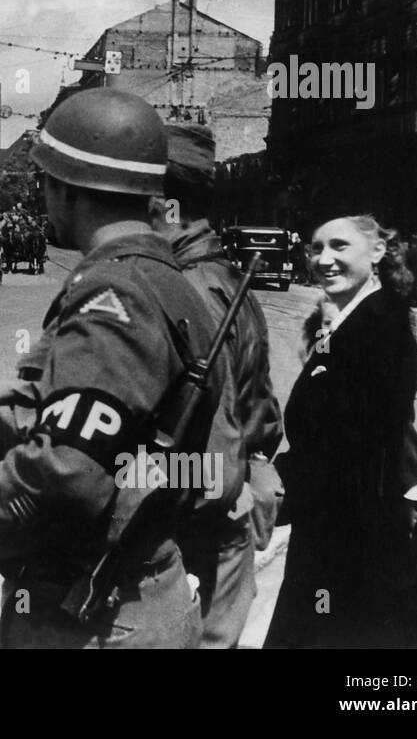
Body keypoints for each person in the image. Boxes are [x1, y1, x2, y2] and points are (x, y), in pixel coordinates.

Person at [0, 88, 227, 649]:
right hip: (150, 586)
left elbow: (72, 465)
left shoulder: (112, 290)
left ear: (66, 188)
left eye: (45, 183)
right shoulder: (174, 283)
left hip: (91, 613)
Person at [151, 124, 284, 649]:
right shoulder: (226, 278)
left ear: (167, 209)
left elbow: (212, 432)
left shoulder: (189, 290)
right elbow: (262, 411)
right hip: (230, 509)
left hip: (201, 525)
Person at [264, 214, 417, 648]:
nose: (324, 259)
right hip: (333, 522)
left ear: (377, 253)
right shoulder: (350, 318)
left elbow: (351, 439)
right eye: (316, 248)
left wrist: (277, 485)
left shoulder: (382, 325)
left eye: (339, 246)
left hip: (354, 535)